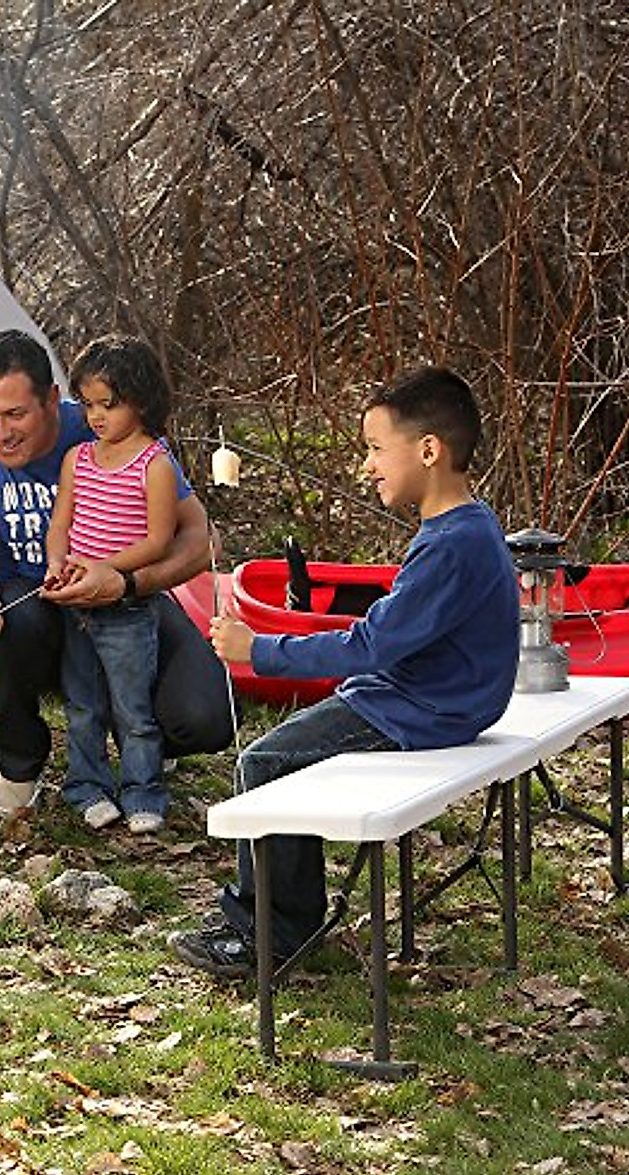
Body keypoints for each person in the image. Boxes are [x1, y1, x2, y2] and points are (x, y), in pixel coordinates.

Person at [169, 364, 519, 978]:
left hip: (423, 711)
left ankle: (272, 934)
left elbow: (370, 647)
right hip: (433, 699)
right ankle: (283, 920)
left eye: (377, 449)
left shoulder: (451, 544)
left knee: (265, 763)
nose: (368, 466)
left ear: (429, 450)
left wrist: (260, 651)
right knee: (292, 749)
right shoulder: (466, 525)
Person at [0, 329, 233, 834]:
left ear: (52, 400)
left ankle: (137, 740)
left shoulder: (108, 427)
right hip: (32, 613)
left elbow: (204, 540)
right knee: (4, 613)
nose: (0, 432)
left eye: (15, 415)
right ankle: (21, 759)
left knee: (206, 719)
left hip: (127, 602)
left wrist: (126, 582)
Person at [42, 335, 178, 835]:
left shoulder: (155, 465)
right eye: (88, 403)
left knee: (133, 708)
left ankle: (143, 791)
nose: (96, 416)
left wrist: (106, 570)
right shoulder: (78, 459)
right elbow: (61, 524)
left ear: (140, 401)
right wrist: (59, 562)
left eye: (108, 405)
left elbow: (159, 540)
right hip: (75, 603)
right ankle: (87, 786)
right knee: (83, 704)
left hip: (125, 609)